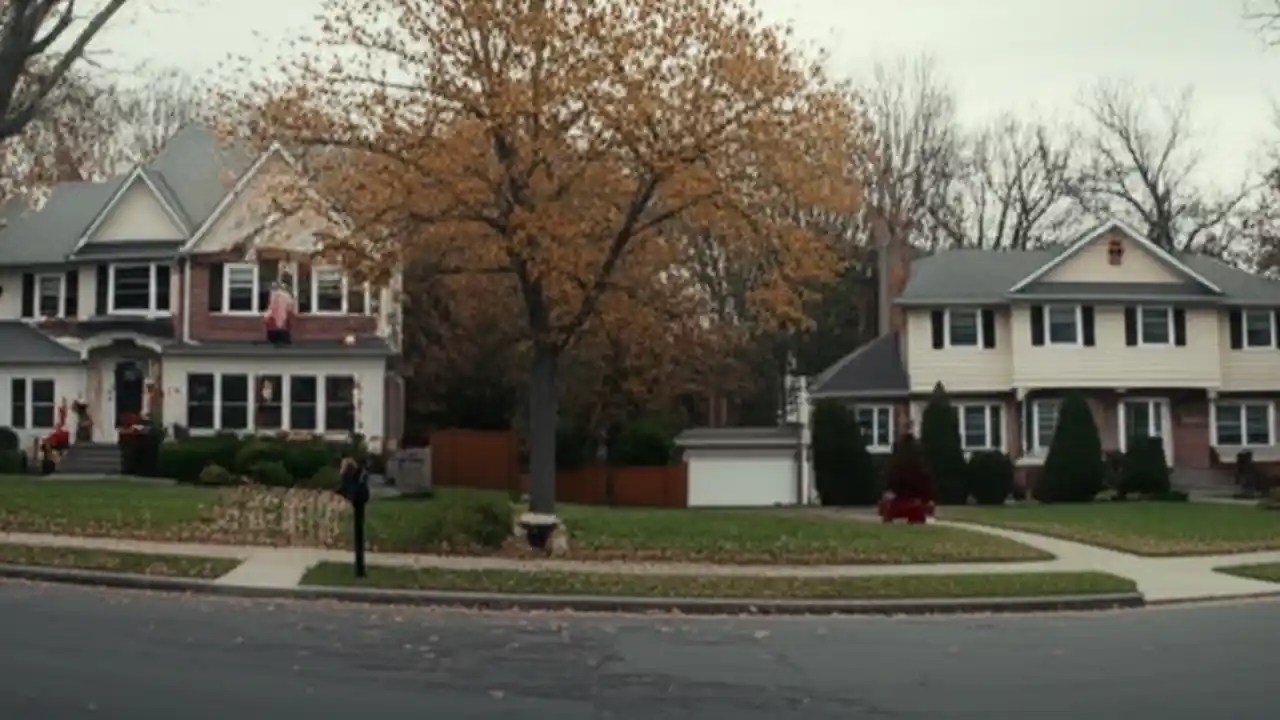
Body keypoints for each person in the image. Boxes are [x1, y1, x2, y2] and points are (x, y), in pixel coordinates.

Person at [338, 457, 370, 577]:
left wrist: (347, 497)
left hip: (358, 504)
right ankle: (359, 568)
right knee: (358, 537)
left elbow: (349, 490)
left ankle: (360, 570)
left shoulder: (355, 476)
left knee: (358, 537)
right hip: (359, 504)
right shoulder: (359, 475)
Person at [264, 276, 295, 346]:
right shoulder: (286, 295)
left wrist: (267, 315)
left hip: (277, 313)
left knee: (275, 326)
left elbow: (272, 306)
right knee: (283, 326)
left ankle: (276, 340)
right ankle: (284, 340)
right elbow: (290, 304)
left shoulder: (275, 294)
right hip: (284, 313)